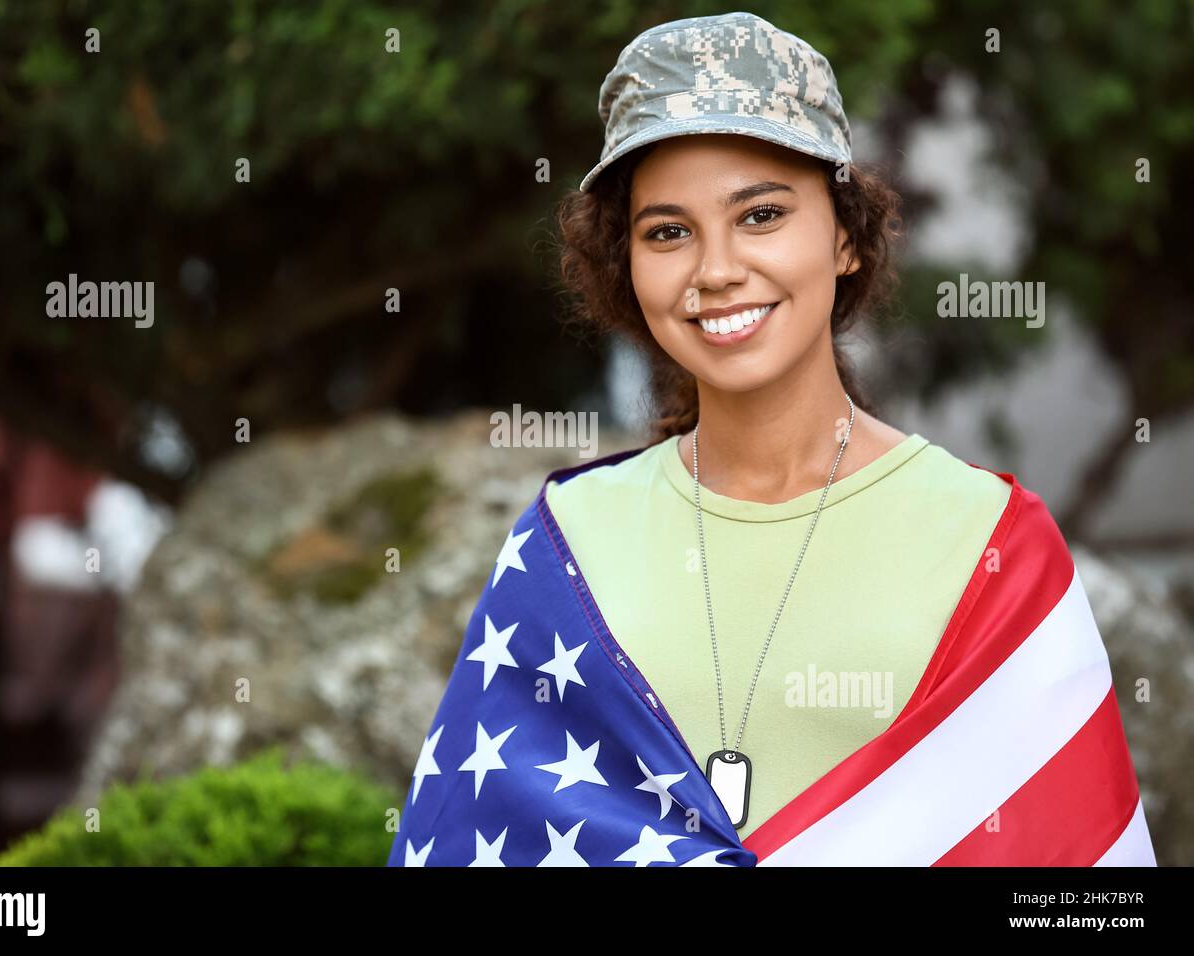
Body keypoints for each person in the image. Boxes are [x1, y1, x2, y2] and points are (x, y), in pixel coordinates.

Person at [387, 11, 1155, 867]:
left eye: (760, 215)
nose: (715, 269)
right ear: (626, 268)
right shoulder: (565, 540)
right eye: (668, 231)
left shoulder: (992, 541)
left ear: (846, 237)